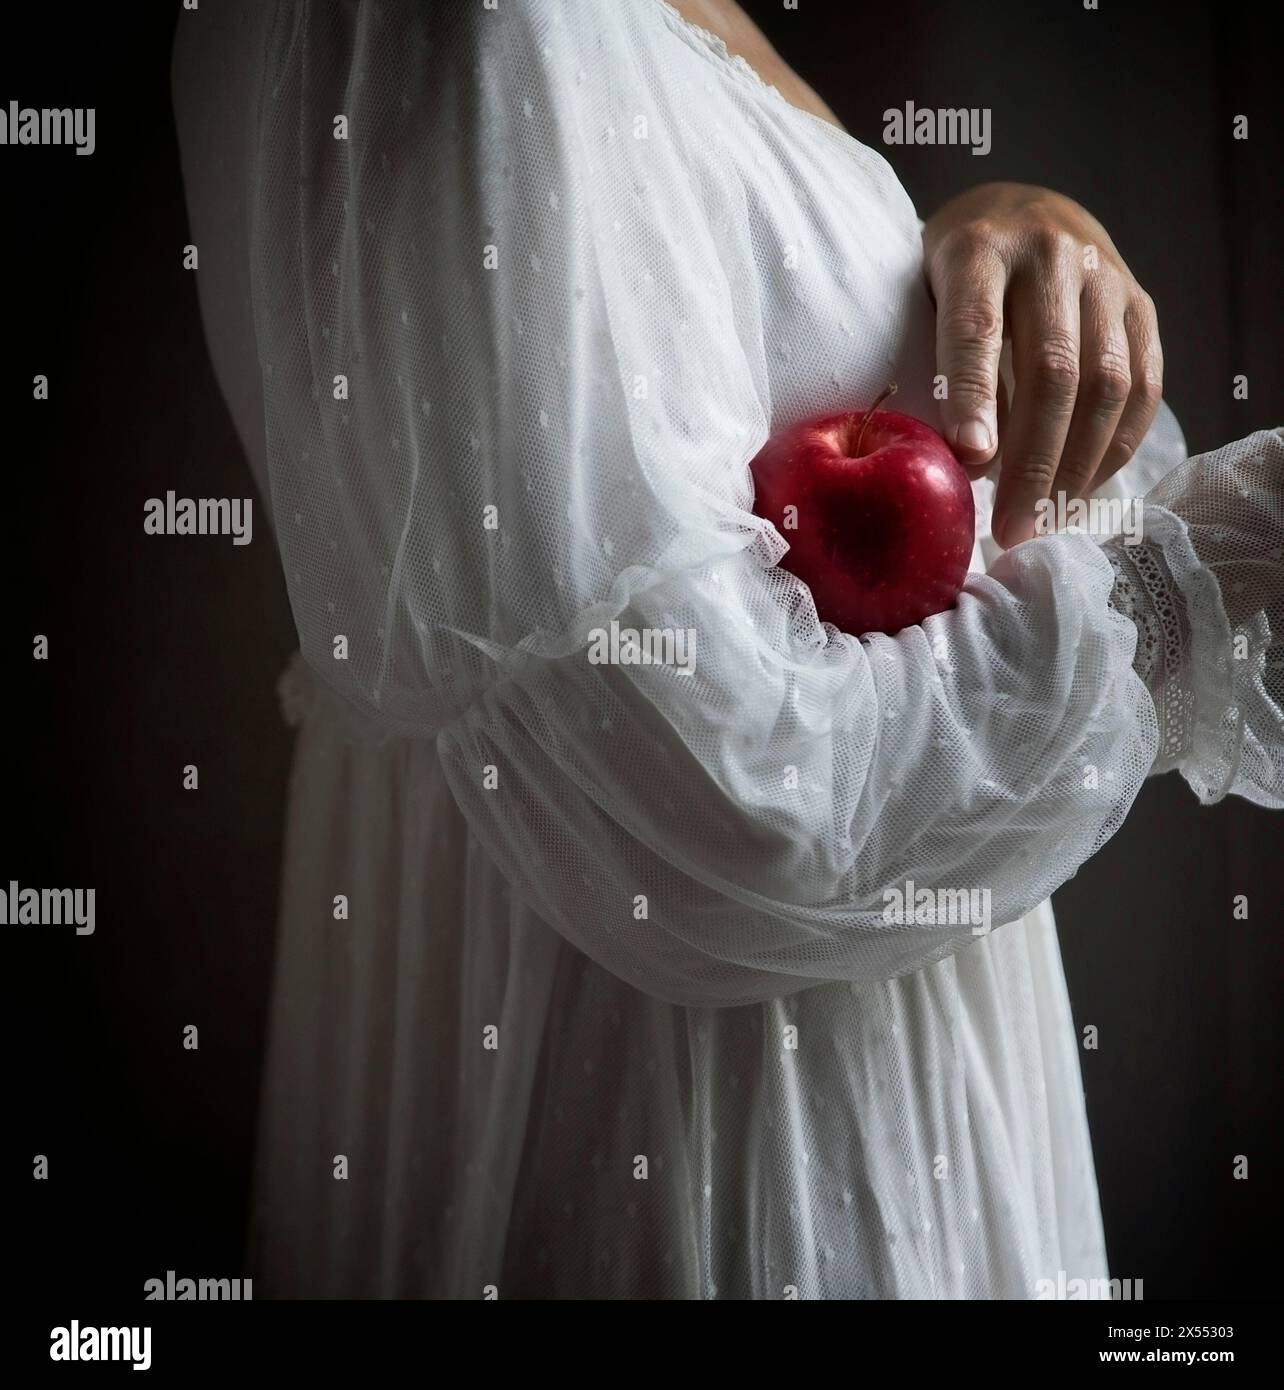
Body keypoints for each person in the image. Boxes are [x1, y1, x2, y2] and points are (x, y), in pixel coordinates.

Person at [171, 0, 1283, 1297]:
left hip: (839, 1062)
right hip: (712, 1128)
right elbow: (721, 799)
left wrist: (990, 246)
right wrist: (1221, 567)